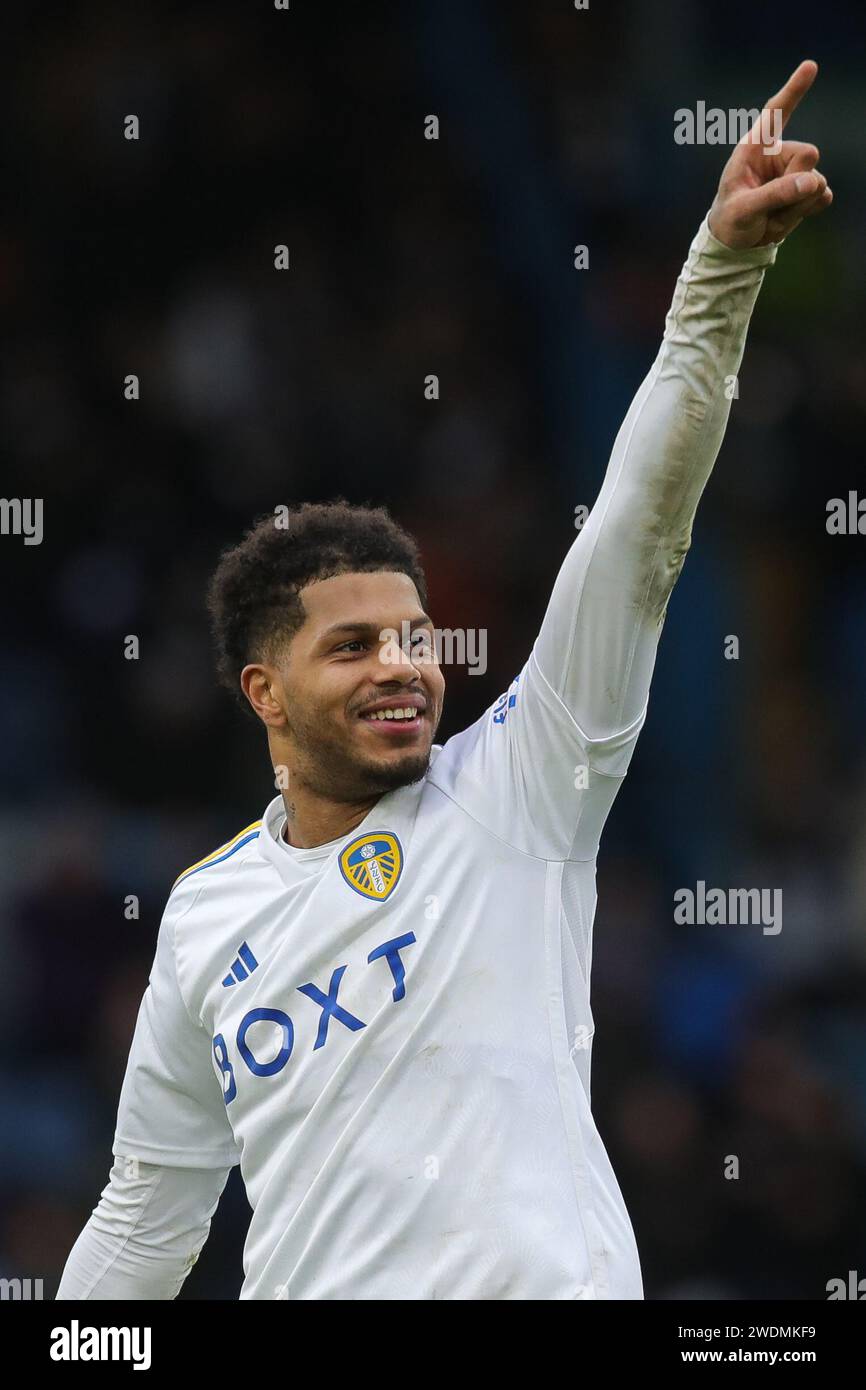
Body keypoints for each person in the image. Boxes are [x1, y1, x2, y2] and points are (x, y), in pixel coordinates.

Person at [58, 62, 832, 1300]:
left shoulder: (521, 781)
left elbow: (638, 529)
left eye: (413, 637)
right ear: (262, 691)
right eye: (352, 645)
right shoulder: (204, 921)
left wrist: (718, 279)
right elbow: (148, 1223)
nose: (403, 667)